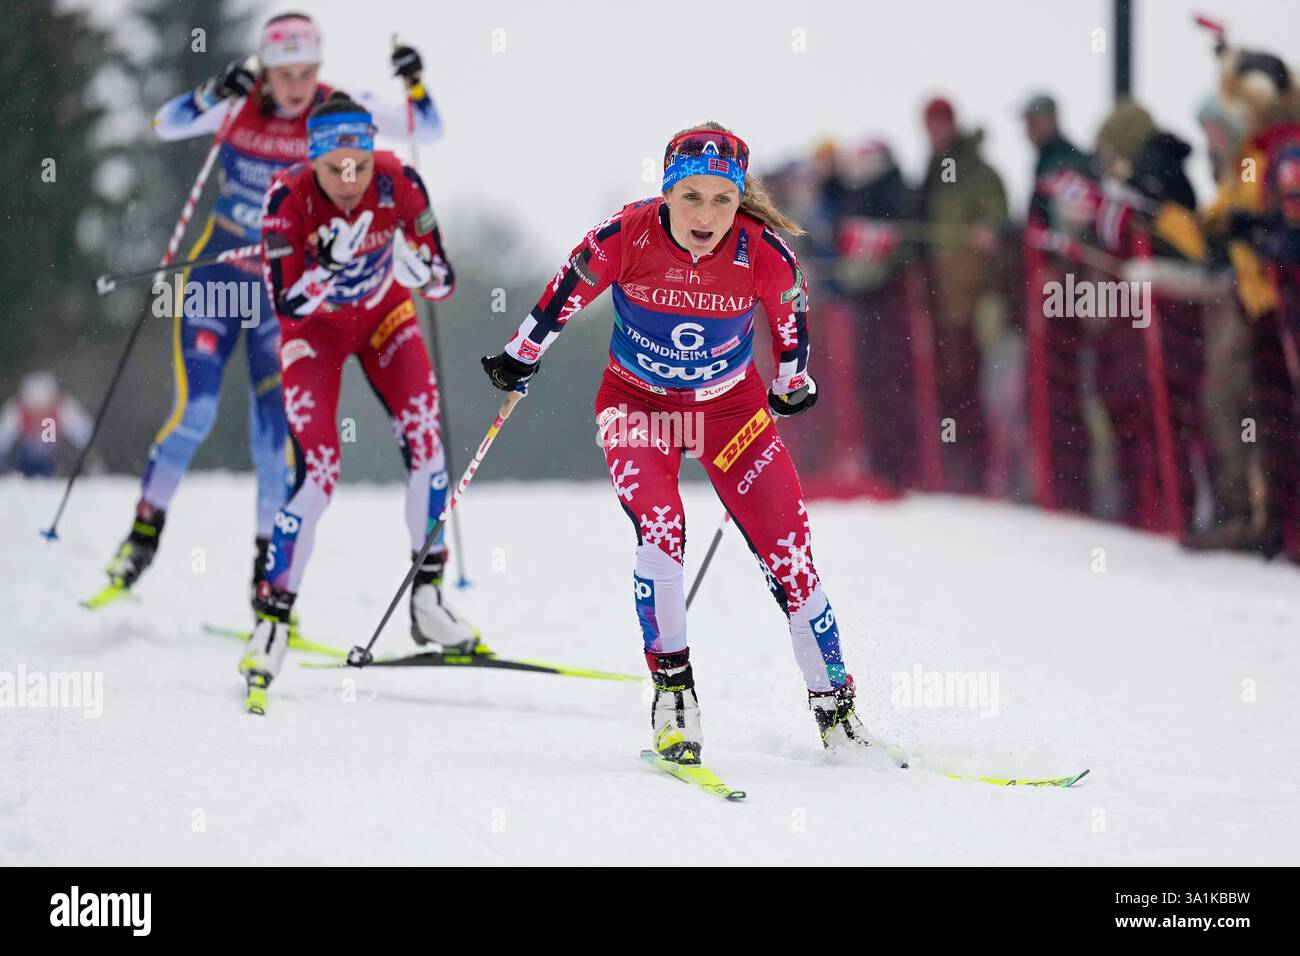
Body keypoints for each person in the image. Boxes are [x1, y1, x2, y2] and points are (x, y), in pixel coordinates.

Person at [481, 121, 872, 761]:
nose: (706, 214)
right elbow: (563, 296)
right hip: (637, 406)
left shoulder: (764, 251)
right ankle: (674, 698)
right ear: (667, 192)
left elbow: (791, 323)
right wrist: (519, 357)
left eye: (722, 198)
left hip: (731, 413)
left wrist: (793, 384)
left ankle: (838, 713)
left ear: (739, 199)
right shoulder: (624, 234)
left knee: (792, 558)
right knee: (662, 530)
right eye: (691, 196)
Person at [96, 11, 442, 610]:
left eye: (308, 70)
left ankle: (265, 578)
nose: (298, 85)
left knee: (273, 436)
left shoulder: (338, 110)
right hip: (217, 275)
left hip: (284, 290)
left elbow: (425, 129)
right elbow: (163, 124)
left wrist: (415, 82)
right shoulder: (239, 102)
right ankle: (142, 537)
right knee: (195, 413)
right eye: (285, 73)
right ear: (266, 69)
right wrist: (209, 92)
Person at [244, 93, 465, 712]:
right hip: (313, 333)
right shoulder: (287, 200)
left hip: (385, 318)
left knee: (427, 442)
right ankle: (272, 617)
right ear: (314, 162)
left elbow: (445, 280)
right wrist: (322, 263)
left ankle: (428, 600)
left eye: (359, 169)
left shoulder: (401, 181)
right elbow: (288, 304)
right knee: (318, 469)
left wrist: (420, 271)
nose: (349, 183)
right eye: (335, 169)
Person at [915, 96, 1011, 495]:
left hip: (973, 300)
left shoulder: (977, 172)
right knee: (949, 386)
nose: (934, 132)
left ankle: (979, 475)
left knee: (973, 386)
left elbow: (998, 226)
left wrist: (990, 231)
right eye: (929, 124)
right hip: (941, 302)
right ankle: (954, 474)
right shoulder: (933, 173)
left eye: (940, 123)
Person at [0, 372, 93, 477]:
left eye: (43, 404)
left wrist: (87, 455)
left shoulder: (61, 408)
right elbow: (3, 435)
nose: (39, 409)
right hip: (24, 460)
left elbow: (82, 430)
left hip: (53, 458)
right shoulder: (17, 411)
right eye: (35, 404)